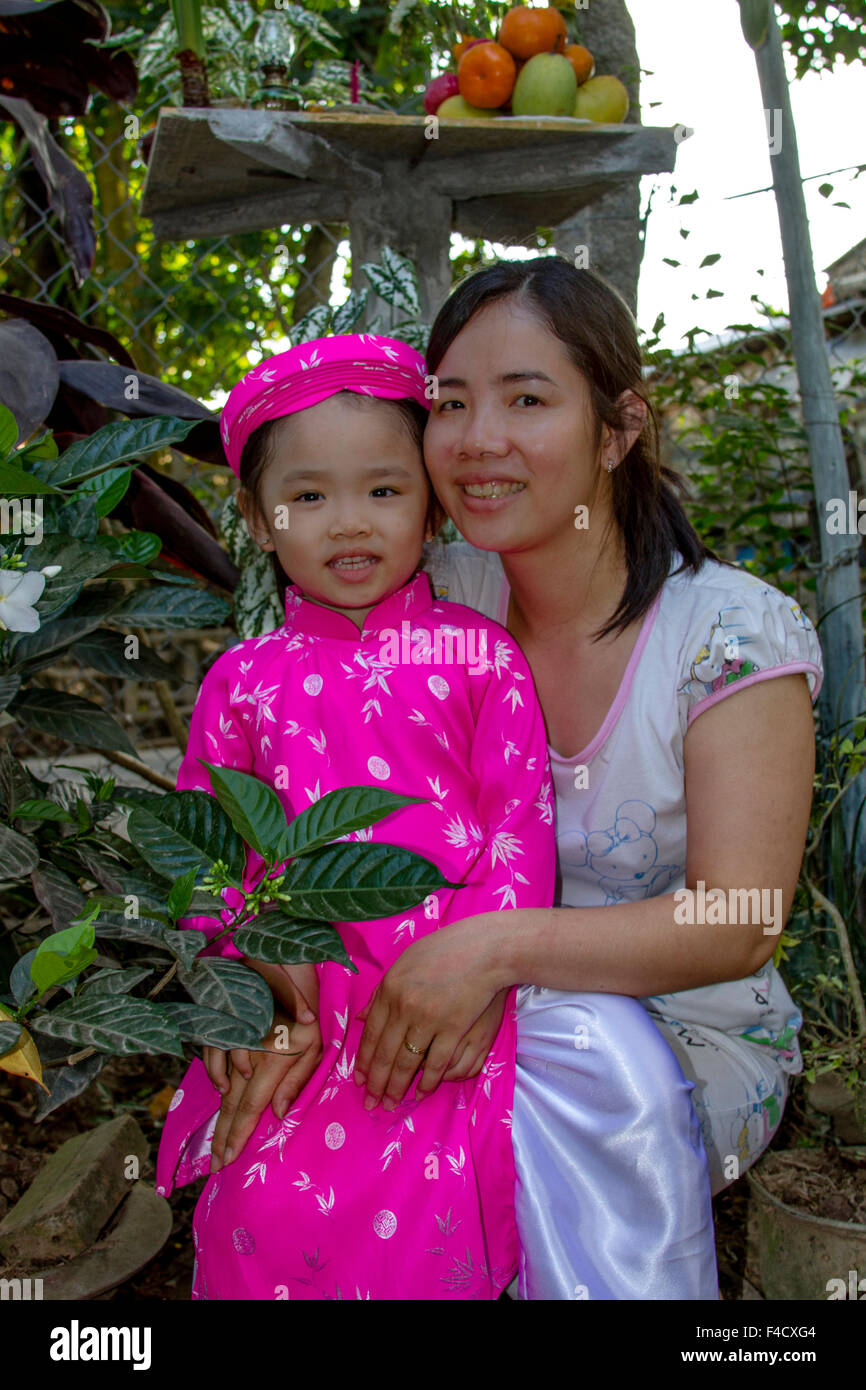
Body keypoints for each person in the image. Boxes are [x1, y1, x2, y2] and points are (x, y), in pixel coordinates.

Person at [355, 256, 823, 1298]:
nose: (478, 440)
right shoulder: (437, 603)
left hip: (677, 1035)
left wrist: (494, 950)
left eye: (527, 399)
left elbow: (736, 919)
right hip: (450, 1002)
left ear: (616, 430)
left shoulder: (725, 634)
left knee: (490, 1139)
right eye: (449, 402)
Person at [155, 333, 560, 1300]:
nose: (350, 523)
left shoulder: (482, 659)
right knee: (258, 1203)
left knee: (426, 1229)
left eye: (384, 490)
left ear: (429, 501)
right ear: (256, 517)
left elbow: (518, 830)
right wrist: (247, 989)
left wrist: (479, 982)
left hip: (432, 1018)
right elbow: (199, 844)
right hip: (289, 1008)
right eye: (308, 496)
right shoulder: (242, 682)